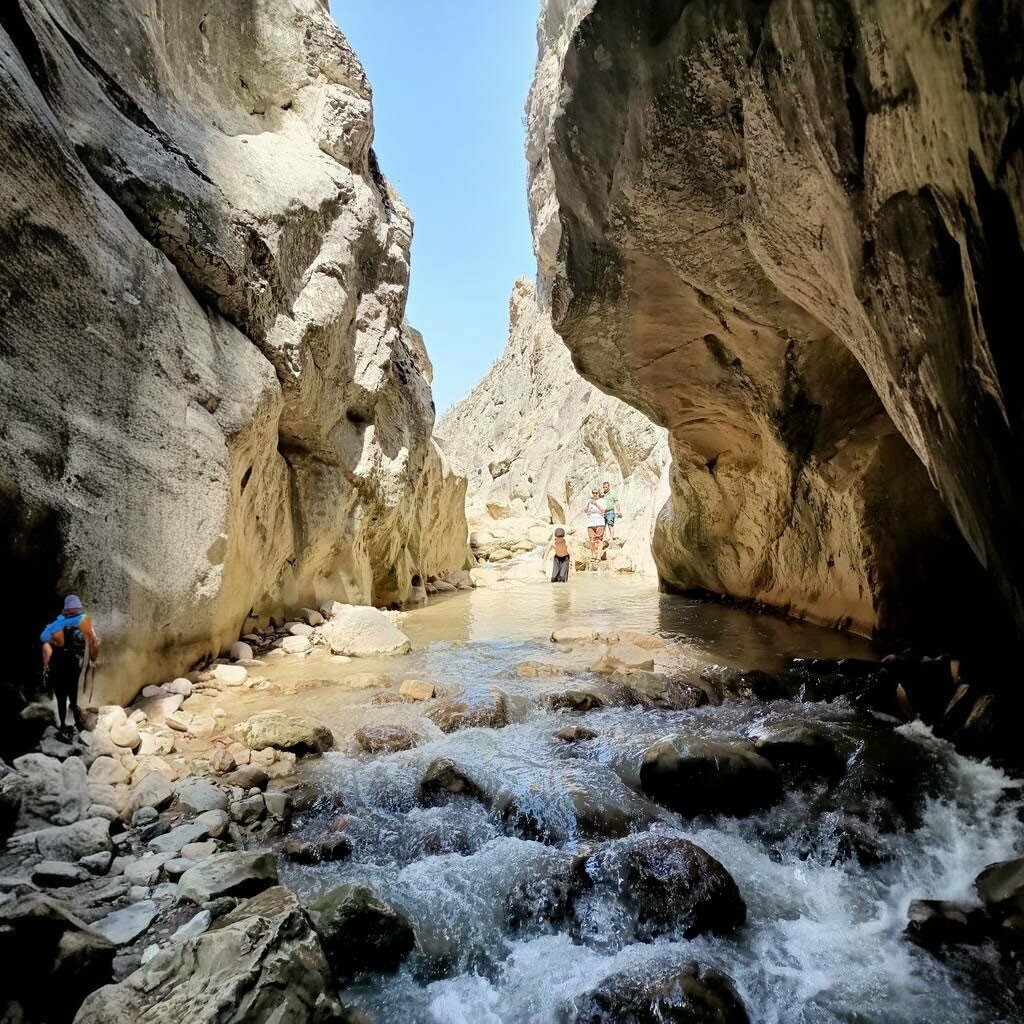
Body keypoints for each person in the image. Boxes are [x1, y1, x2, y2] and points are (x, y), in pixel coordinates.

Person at [40, 595, 99, 738]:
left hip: (59, 663)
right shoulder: (84, 620)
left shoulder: (57, 624)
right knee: (72, 689)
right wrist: (92, 660)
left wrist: (54, 626)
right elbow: (95, 642)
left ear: (65, 609)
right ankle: (75, 720)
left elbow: (43, 637)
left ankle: (62, 726)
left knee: (61, 695)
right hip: (75, 663)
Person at [584, 488, 606, 561]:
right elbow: (585, 511)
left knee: (599, 539)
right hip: (590, 522)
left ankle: (598, 556)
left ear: (599, 493)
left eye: (596, 493)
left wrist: (596, 504)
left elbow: (603, 510)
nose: (595, 494)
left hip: (599, 522)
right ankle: (593, 555)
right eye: (593, 493)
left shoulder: (602, 501)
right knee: (591, 539)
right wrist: (588, 504)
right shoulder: (589, 501)